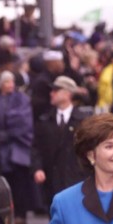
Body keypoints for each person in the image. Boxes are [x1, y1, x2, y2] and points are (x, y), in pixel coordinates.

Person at [31, 75, 90, 213]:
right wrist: (37, 168)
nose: (52, 94)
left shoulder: (83, 121)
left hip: (77, 179)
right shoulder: (45, 120)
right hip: (53, 180)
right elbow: (36, 148)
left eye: (56, 90)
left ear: (67, 93)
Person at [0, 71, 35, 224]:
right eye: (6, 82)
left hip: (18, 145)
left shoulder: (22, 99)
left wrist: (7, 131)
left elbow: (23, 121)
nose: (10, 85)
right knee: (3, 181)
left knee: (19, 179)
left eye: (12, 81)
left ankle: (20, 213)